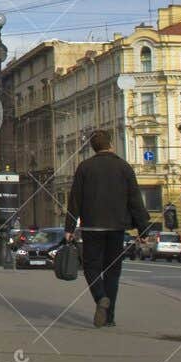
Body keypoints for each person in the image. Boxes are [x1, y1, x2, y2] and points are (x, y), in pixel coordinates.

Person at [65, 129, 149, 328]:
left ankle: (101, 297)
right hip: (117, 227)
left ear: (93, 148)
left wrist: (69, 227)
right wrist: (143, 229)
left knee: (91, 268)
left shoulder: (85, 167)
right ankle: (109, 317)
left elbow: (75, 199)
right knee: (113, 271)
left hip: (92, 227)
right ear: (111, 144)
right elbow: (135, 200)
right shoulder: (124, 167)